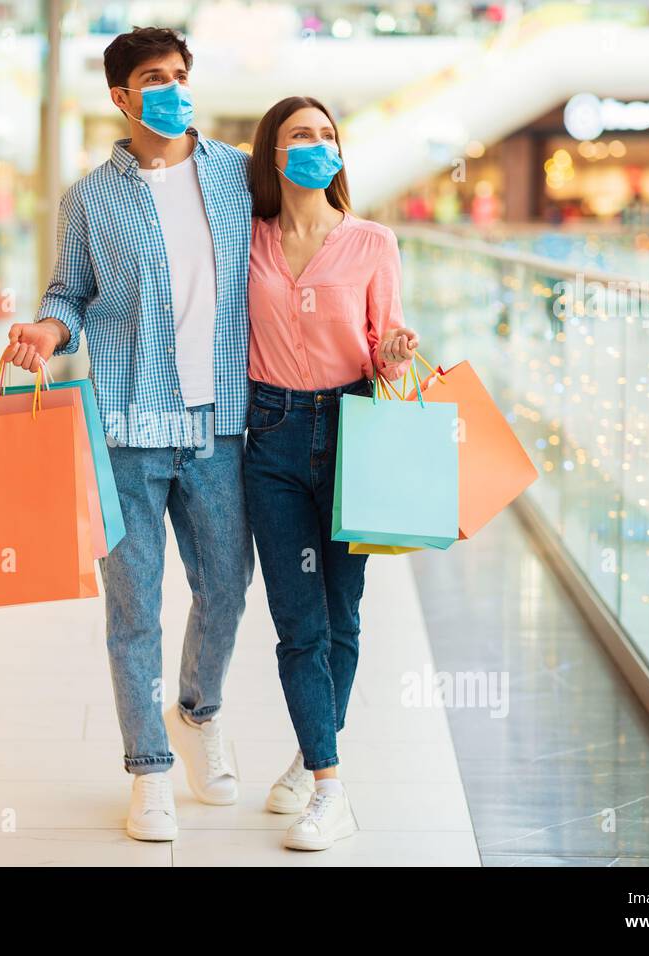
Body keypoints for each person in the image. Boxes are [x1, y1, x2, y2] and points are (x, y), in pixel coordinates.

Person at [4, 27, 254, 843]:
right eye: (155, 77)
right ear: (121, 95)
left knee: (225, 588)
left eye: (181, 74)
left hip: (219, 421)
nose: (173, 88)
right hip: (126, 425)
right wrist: (49, 329)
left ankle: (197, 712)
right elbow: (69, 292)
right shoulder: (90, 199)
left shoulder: (237, 177)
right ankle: (148, 769)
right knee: (134, 609)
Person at [242, 96, 418, 851]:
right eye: (298, 136)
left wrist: (396, 354)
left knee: (342, 615)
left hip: (353, 429)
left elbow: (382, 348)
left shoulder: (373, 242)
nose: (316, 145)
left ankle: (314, 760)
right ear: (273, 155)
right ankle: (331, 789)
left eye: (325, 135)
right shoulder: (245, 240)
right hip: (273, 437)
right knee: (297, 625)